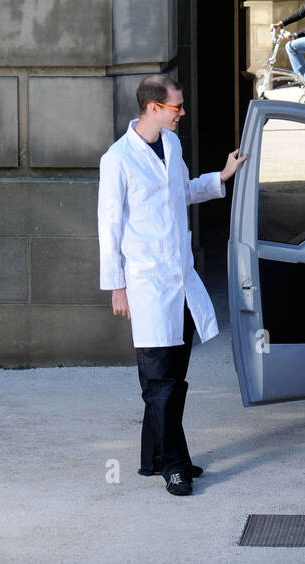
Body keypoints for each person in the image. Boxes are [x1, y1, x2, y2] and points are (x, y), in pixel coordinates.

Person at [97, 75, 246, 496]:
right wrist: (117, 286)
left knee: (174, 378)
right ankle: (175, 466)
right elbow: (107, 227)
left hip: (179, 280)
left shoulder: (172, 145)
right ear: (152, 108)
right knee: (159, 381)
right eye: (176, 107)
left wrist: (222, 175)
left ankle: (153, 457)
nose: (182, 113)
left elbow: (181, 191)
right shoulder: (118, 159)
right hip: (144, 284)